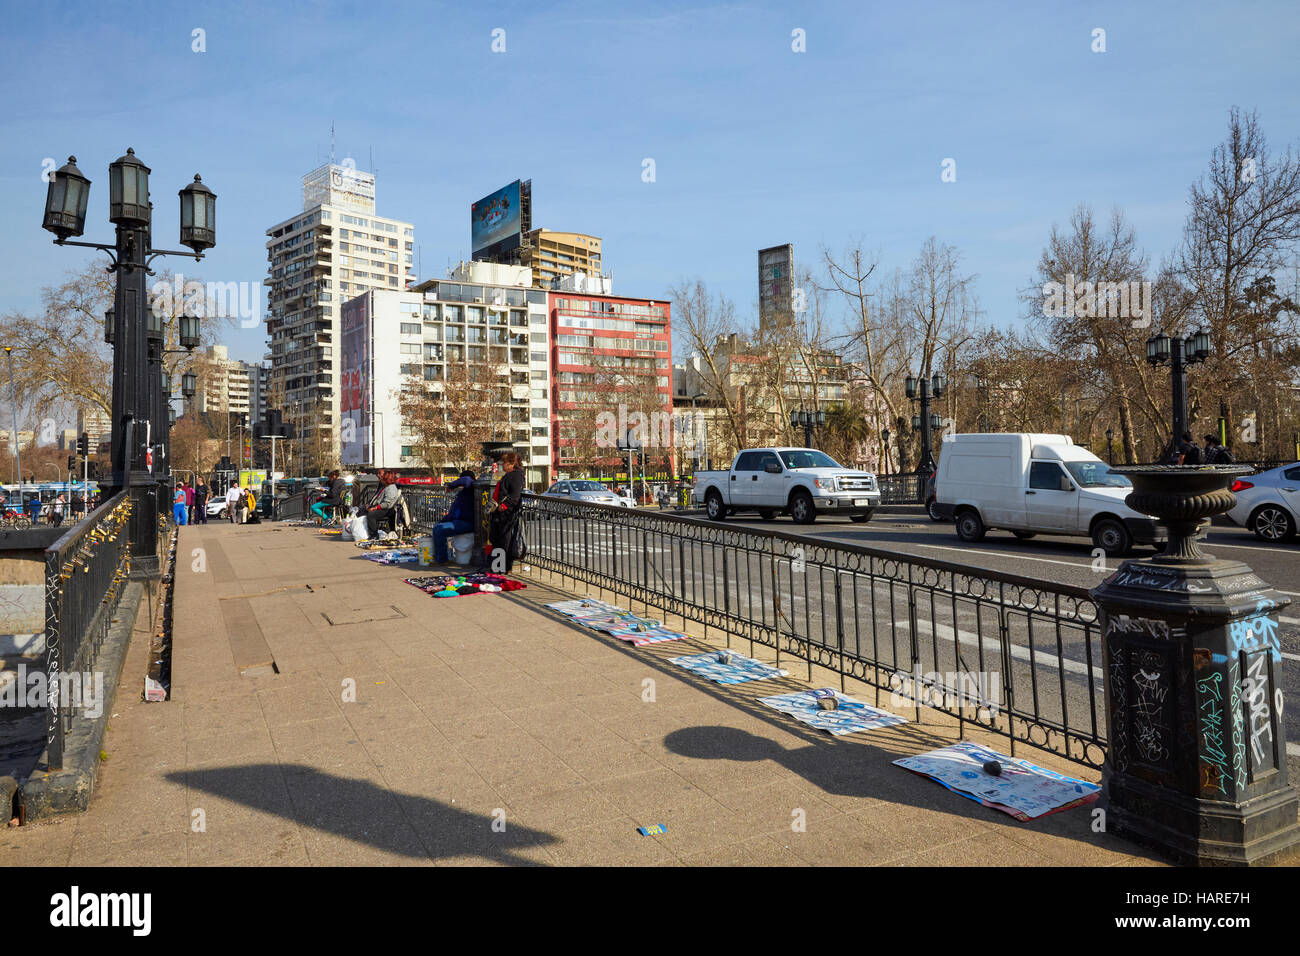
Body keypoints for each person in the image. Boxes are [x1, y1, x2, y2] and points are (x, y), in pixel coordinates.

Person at [485, 451, 525, 573]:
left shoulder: (516, 475)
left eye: (505, 463)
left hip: (506, 515)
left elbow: (515, 495)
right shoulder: (510, 475)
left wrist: (504, 506)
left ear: (512, 464)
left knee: (505, 541)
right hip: (500, 513)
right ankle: (498, 567)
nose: (502, 465)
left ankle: (504, 567)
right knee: (497, 539)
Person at [432, 470, 476, 563]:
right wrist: (441, 521)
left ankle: (441, 560)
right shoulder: (463, 493)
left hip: (467, 523)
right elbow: (453, 513)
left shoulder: (471, 488)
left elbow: (466, 480)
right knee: (437, 527)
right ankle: (443, 556)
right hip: (460, 522)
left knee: (439, 530)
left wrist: (450, 485)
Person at [365, 471, 403, 538]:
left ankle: (374, 535)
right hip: (380, 506)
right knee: (362, 510)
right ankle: (365, 533)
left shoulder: (391, 488)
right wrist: (369, 504)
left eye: (382, 479)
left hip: (387, 509)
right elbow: (376, 497)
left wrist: (375, 508)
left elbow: (387, 504)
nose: (380, 479)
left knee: (371, 515)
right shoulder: (384, 486)